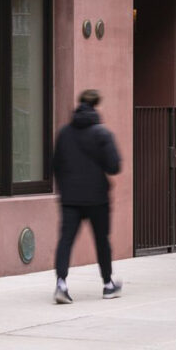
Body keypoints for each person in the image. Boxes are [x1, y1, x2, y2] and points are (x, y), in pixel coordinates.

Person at [52, 88, 122, 303]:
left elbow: (55, 165)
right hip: (97, 198)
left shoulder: (64, 133)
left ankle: (61, 284)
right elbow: (114, 166)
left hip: (70, 198)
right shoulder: (102, 134)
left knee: (66, 241)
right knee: (102, 241)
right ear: (96, 106)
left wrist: (65, 188)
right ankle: (108, 284)